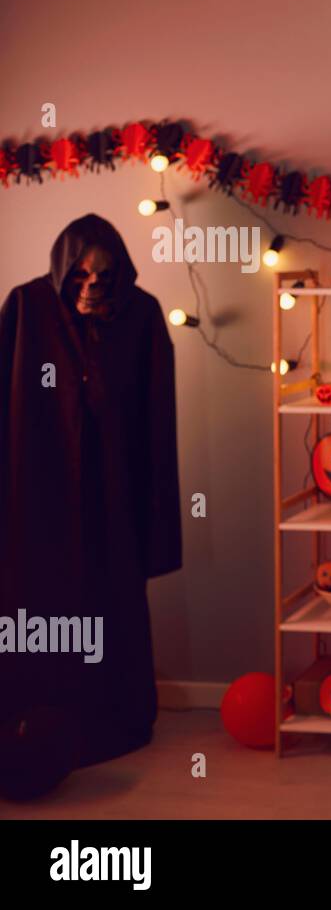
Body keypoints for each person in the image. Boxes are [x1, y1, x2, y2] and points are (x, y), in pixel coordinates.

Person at [0, 214, 182, 768]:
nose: (92, 287)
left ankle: (115, 715)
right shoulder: (28, 308)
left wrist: (151, 510)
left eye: (104, 276)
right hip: (40, 486)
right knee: (42, 600)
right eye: (80, 276)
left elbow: (156, 415)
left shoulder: (143, 316)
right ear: (64, 271)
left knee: (112, 599)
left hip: (114, 489)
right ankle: (39, 718)